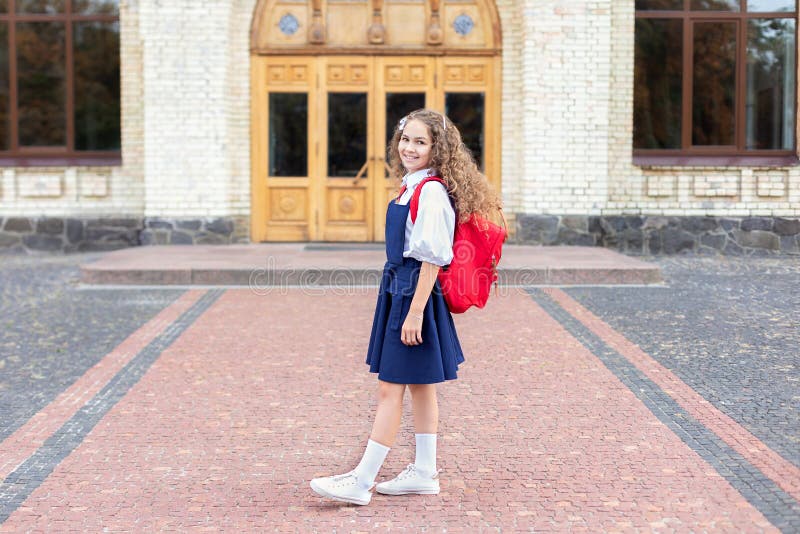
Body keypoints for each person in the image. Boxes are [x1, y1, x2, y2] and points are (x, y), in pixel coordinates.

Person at [310, 109, 501, 505]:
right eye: (406, 139)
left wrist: (414, 313)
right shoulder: (411, 187)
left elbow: (432, 257)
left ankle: (362, 481)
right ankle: (425, 472)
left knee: (388, 389)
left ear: (438, 149)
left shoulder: (429, 191)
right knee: (419, 384)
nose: (409, 148)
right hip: (401, 288)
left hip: (413, 293)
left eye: (420, 142)